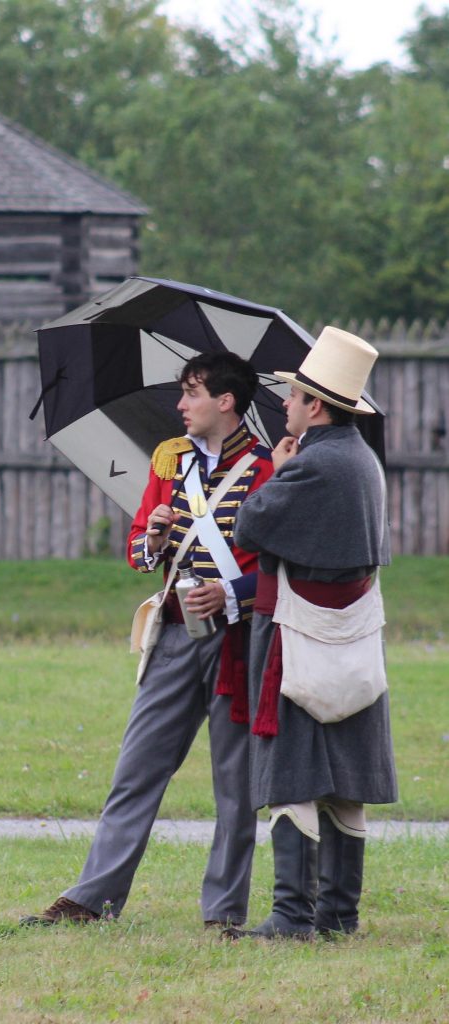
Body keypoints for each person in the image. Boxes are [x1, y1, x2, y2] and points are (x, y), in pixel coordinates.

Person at [21, 352, 273, 929]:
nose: (181, 404)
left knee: (236, 787)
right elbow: (137, 552)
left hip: (239, 644)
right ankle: (93, 899)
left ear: (226, 401)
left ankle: (223, 913)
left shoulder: (267, 469)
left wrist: (231, 593)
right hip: (177, 635)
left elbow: (283, 566)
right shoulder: (169, 461)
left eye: (192, 393)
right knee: (136, 771)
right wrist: (154, 539)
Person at [230, 326, 398, 940]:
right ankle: (337, 915)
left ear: (317, 407)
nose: (286, 404)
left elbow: (250, 526)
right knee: (344, 777)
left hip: (297, 634)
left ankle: (292, 915)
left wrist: (278, 472)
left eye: (295, 396)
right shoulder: (361, 459)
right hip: (351, 636)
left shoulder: (315, 465)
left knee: (292, 771)